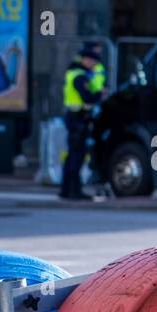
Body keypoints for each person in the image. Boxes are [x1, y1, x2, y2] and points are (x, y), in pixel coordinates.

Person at [60, 41, 107, 201]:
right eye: (93, 62)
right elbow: (87, 96)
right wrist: (100, 95)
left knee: (72, 155)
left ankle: (66, 190)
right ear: (86, 60)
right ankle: (74, 190)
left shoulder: (75, 72)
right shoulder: (79, 75)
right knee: (77, 156)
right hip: (77, 118)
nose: (94, 65)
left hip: (76, 117)